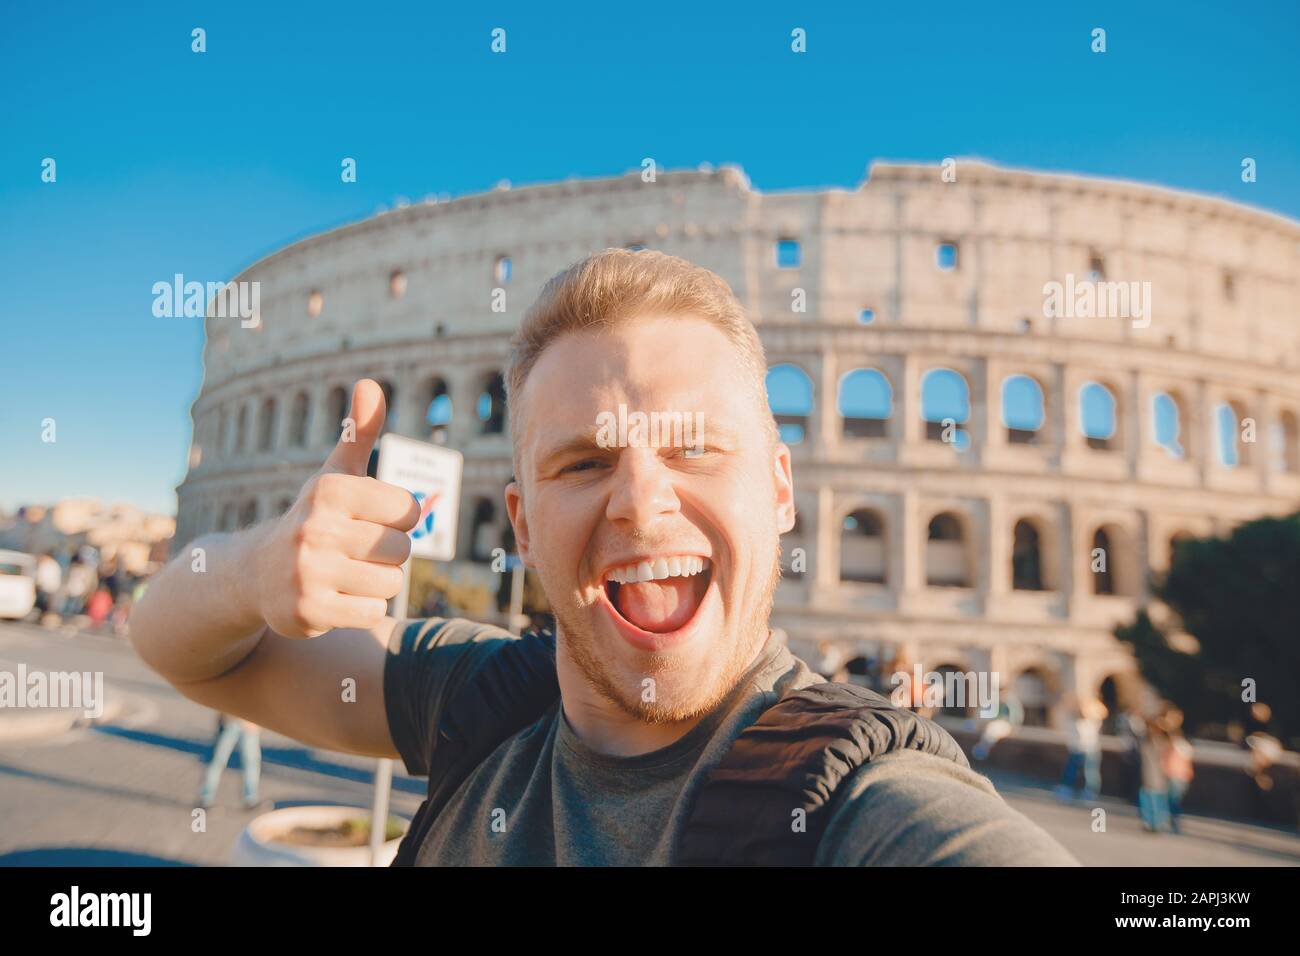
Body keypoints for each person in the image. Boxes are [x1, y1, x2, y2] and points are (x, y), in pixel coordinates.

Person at [129, 249, 1077, 866]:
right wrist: (254, 568)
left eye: (692, 448)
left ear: (781, 489)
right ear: (524, 525)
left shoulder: (861, 806)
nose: (641, 501)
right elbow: (177, 645)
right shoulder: (477, 696)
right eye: (584, 460)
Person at [198, 714, 262, 809]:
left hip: (250, 724)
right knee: (218, 760)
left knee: (251, 761)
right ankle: (205, 797)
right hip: (230, 721)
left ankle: (250, 798)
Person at [1159, 707, 1194, 833]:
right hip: (1170, 772)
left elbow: (1186, 755)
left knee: (1174, 801)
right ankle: (1169, 822)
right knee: (1169, 799)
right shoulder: (1165, 734)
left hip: (1178, 774)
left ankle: (1174, 824)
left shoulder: (1180, 737)